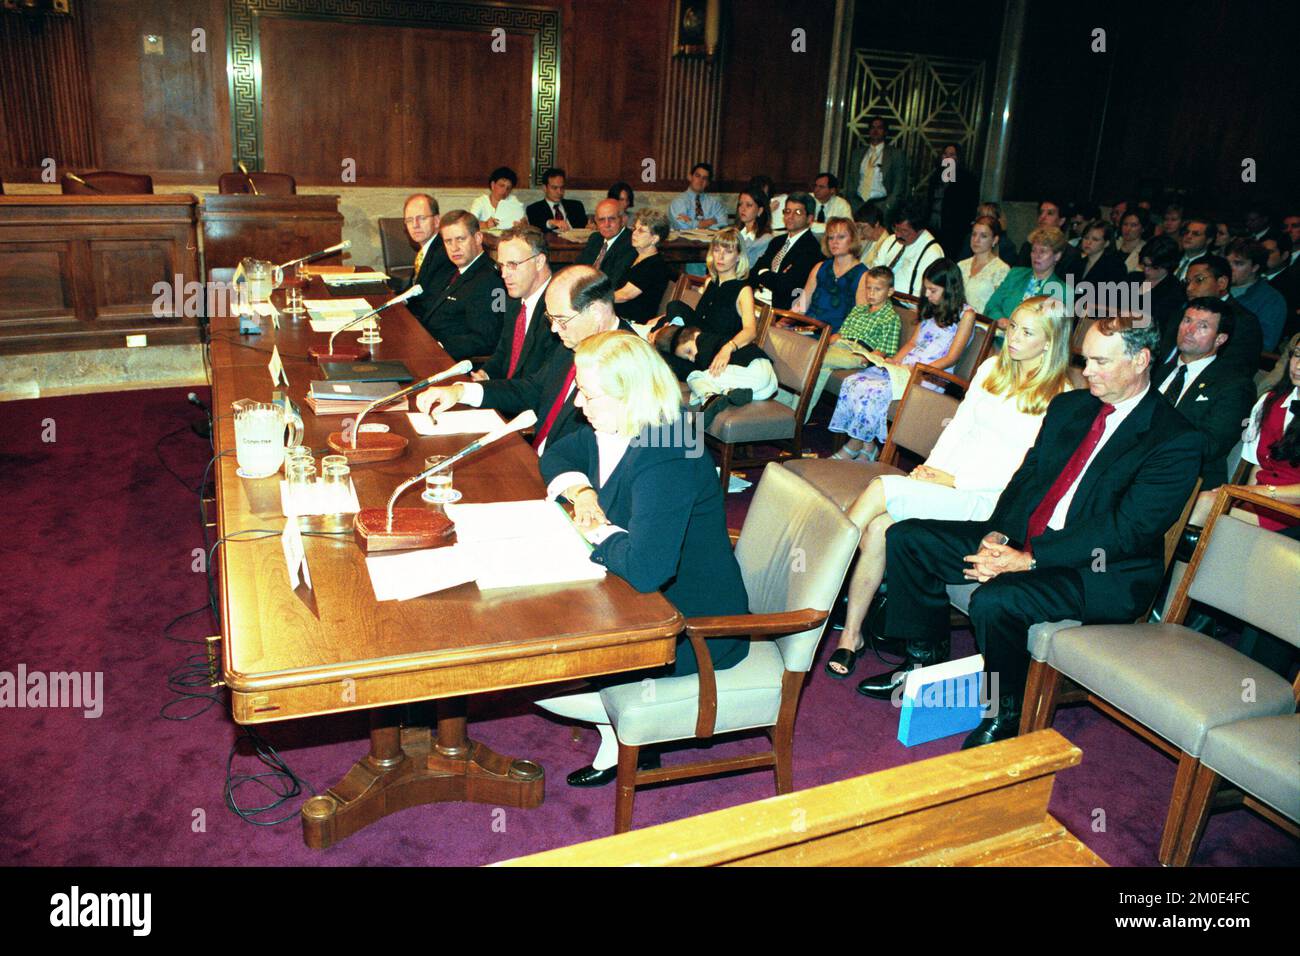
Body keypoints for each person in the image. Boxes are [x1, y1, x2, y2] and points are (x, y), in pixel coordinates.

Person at [861, 315, 1202, 748]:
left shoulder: (1174, 438)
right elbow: (1028, 479)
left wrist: (1031, 558)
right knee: (909, 539)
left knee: (996, 599)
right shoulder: (1072, 407)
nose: (1087, 371)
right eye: (1085, 359)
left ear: (1141, 361)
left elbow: (1128, 530)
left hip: (1097, 569)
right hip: (1026, 541)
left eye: (1101, 361)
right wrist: (998, 536)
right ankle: (923, 662)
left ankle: (1007, 710)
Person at [535, 330, 750, 787]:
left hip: (692, 624)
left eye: (588, 394)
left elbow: (649, 568)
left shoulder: (669, 449)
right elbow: (557, 452)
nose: (578, 403)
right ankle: (623, 732)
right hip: (641, 599)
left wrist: (595, 530)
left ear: (628, 394)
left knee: (538, 674)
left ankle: (629, 732)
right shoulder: (616, 424)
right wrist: (582, 490)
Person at [824, 296, 1072, 677]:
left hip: (989, 501)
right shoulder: (993, 368)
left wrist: (953, 480)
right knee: (878, 527)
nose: (1013, 337)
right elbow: (958, 429)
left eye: (1027, 332)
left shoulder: (1061, 396)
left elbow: (1029, 473)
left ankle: (816, 583)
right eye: (1013, 328)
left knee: (879, 488)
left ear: (1051, 342)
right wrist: (930, 469)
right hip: (949, 484)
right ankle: (850, 636)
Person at [416, 266, 632, 455]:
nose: (555, 329)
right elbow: (533, 389)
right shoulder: (575, 342)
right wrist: (461, 391)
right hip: (538, 459)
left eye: (562, 320)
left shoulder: (630, 362)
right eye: (551, 319)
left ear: (595, 311)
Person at [827, 258, 976, 461]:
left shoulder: (966, 315)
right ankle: (867, 446)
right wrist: (894, 362)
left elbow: (951, 357)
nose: (928, 295)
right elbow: (912, 343)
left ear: (950, 289)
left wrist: (918, 370)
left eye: (933, 290)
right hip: (906, 368)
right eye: (926, 289)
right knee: (855, 382)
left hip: (930, 375)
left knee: (873, 390)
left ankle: (855, 446)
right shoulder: (931, 308)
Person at [1190, 342, 1300, 530]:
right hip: (1260, 500)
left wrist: (1257, 493)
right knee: (1201, 501)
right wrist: (1248, 499)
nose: (1298, 365)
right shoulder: (1269, 401)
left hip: (1293, 511)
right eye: (1297, 355)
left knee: (1207, 505)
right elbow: (1257, 468)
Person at [1151, 298, 1256, 490]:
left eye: (1203, 326)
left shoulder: (1234, 386)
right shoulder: (1159, 370)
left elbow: (1210, 445)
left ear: (1220, 339)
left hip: (1185, 476)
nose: (1189, 330)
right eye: (1187, 320)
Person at [412, 210, 504, 360]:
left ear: (478, 238)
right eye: (448, 241)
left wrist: (438, 346)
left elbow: (486, 339)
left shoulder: (491, 280)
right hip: (426, 344)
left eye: (460, 239)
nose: (454, 247)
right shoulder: (451, 270)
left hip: (448, 359)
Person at [474, 224, 560, 382]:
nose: (504, 274)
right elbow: (504, 353)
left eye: (512, 265)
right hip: (508, 392)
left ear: (539, 261)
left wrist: (483, 392)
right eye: (501, 266)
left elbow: (537, 385)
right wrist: (484, 374)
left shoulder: (559, 310)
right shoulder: (514, 300)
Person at [672, 228, 758, 364]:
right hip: (698, 344)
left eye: (728, 252)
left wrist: (729, 347)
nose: (721, 257)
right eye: (717, 250)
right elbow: (699, 319)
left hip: (718, 347)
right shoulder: (710, 282)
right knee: (675, 306)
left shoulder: (743, 290)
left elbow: (751, 331)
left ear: (738, 257)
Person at [1174, 256, 1264, 375]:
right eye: (1187, 282)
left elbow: (1235, 372)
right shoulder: (1184, 311)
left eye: (1199, 280)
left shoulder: (1243, 321)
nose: (1189, 288)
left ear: (1222, 283)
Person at [655, 323, 778, 409]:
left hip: (752, 371)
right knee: (716, 379)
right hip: (768, 385)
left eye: (689, 351)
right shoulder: (716, 339)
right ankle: (731, 393)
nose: (692, 358)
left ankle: (709, 398)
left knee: (695, 377)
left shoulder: (703, 340)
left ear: (695, 334)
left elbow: (704, 366)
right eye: (688, 358)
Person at [984, 226, 1071, 326]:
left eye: (1043, 251)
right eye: (1034, 250)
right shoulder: (1015, 274)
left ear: (1057, 256)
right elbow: (991, 306)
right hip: (999, 338)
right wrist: (1001, 319)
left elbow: (1056, 330)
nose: (1036, 255)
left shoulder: (1064, 292)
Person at [751, 192, 823, 310]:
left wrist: (763, 273)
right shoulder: (777, 241)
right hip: (757, 300)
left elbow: (786, 286)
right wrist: (764, 274)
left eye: (797, 212)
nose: (790, 216)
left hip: (781, 309)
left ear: (810, 218)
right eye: (787, 211)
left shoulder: (811, 248)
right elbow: (754, 271)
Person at [793, 216, 867, 331]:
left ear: (852, 239)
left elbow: (860, 319)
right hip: (807, 328)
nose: (834, 242)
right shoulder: (820, 267)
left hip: (836, 335)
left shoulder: (863, 275)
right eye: (830, 238)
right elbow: (801, 305)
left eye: (841, 237)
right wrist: (783, 322)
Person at [870, 200, 946, 297]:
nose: (897, 234)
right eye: (895, 228)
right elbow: (874, 271)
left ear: (920, 230)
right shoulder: (891, 241)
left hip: (908, 308)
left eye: (904, 231)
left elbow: (924, 295)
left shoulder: (932, 253)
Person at [389, 193, 452, 305]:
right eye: (409, 220)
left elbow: (427, 301)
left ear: (437, 221)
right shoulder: (425, 250)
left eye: (421, 218)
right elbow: (413, 290)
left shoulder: (444, 253)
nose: (415, 225)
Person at [613, 208, 672, 325]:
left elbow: (625, 295)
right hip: (618, 316)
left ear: (654, 239)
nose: (634, 233)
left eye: (641, 231)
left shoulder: (655, 265)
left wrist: (596, 299)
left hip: (633, 322)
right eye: (634, 228)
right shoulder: (633, 256)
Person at [1227, 238, 1287, 350]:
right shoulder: (1215, 287)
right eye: (1227, 262)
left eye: (1238, 263)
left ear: (1255, 267)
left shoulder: (1272, 300)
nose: (1229, 268)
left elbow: (1265, 345)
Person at [847, 115, 909, 222]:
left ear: (885, 132)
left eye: (879, 128)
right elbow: (851, 180)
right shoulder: (857, 154)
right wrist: (852, 203)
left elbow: (899, 184)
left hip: (881, 205)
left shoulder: (895, 154)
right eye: (872, 127)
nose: (875, 131)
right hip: (859, 204)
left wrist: (888, 206)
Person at [925, 143, 979, 257]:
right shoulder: (936, 176)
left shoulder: (967, 178)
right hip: (933, 223)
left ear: (958, 158)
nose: (948, 157)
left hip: (953, 228)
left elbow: (970, 207)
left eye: (952, 155)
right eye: (945, 154)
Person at [1136, 235, 1187, 348]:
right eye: (1144, 264)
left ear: (1167, 266)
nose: (1146, 270)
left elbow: (1158, 326)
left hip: (1146, 343)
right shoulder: (1132, 278)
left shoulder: (1174, 291)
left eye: (1154, 267)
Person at [575, 198, 636, 287]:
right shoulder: (595, 238)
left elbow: (614, 281)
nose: (607, 224)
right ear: (596, 221)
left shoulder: (631, 243)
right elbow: (578, 267)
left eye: (612, 219)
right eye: (601, 220)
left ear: (623, 220)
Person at [957, 214, 1011, 314]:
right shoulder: (961, 265)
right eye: (974, 234)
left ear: (995, 240)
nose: (976, 240)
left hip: (983, 325)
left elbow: (1000, 306)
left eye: (983, 236)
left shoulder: (1001, 269)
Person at [1016, 200, 1081, 276]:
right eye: (1041, 212)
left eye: (1050, 213)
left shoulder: (1071, 255)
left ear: (1061, 221)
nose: (1042, 217)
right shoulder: (1027, 246)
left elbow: (1069, 285)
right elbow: (1018, 276)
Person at [1072, 219, 1130, 297]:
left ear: (1106, 243)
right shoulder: (1077, 262)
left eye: (1095, 239)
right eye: (1086, 238)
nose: (1088, 242)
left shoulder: (1115, 267)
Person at [525, 167, 586, 233]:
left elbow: (585, 226)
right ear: (544, 188)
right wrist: (551, 222)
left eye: (562, 188)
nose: (559, 192)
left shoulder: (576, 206)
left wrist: (591, 226)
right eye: (554, 188)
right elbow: (537, 229)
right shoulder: (534, 209)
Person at [669, 162, 726, 230]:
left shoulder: (715, 203)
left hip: (710, 240)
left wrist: (691, 223)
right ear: (690, 177)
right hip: (683, 240)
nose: (700, 181)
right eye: (697, 176)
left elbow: (723, 224)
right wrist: (710, 222)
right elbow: (681, 226)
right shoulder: (678, 201)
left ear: (708, 183)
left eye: (704, 178)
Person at [469, 166, 526, 230]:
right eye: (502, 186)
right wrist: (486, 224)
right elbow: (469, 224)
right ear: (493, 185)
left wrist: (522, 224)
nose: (505, 191)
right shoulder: (480, 201)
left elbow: (523, 221)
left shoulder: (513, 201)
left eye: (508, 188)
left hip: (506, 237)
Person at [736, 187, 776, 264]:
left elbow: (753, 268)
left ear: (760, 211)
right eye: (740, 204)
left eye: (749, 205)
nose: (742, 209)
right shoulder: (735, 233)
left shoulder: (766, 240)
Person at [1174, 216, 1213, 281]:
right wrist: (1149, 291)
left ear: (1208, 240)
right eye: (1186, 232)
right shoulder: (1171, 256)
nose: (1188, 236)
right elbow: (1151, 280)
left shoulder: (1211, 266)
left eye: (1196, 234)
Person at [855, 201, 889, 268]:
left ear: (876, 224)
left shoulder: (886, 244)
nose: (860, 232)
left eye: (862, 227)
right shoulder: (869, 238)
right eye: (858, 227)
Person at [1116, 208, 1148, 273]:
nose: (1128, 229)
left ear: (1143, 228)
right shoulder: (1114, 244)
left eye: (1133, 225)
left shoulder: (1147, 250)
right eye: (1125, 224)